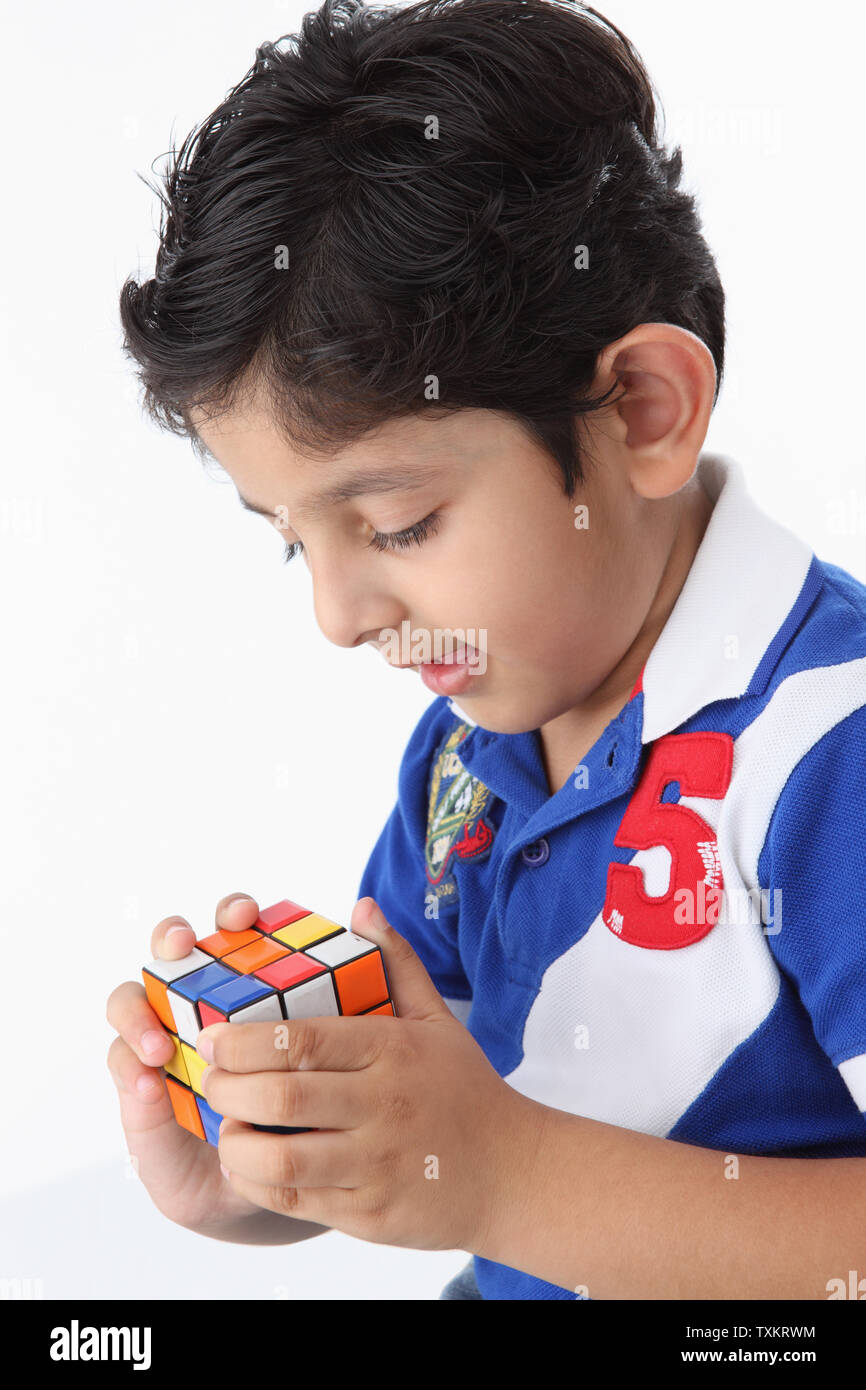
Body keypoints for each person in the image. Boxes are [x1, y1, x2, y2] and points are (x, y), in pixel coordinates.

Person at [106, 0, 866, 1299]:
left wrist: (502, 1174)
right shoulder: (467, 755)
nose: (339, 616)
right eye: (297, 543)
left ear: (640, 412)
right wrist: (268, 1162)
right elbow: (435, 1122)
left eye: (397, 523)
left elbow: (485, 1159)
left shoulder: (825, 753)